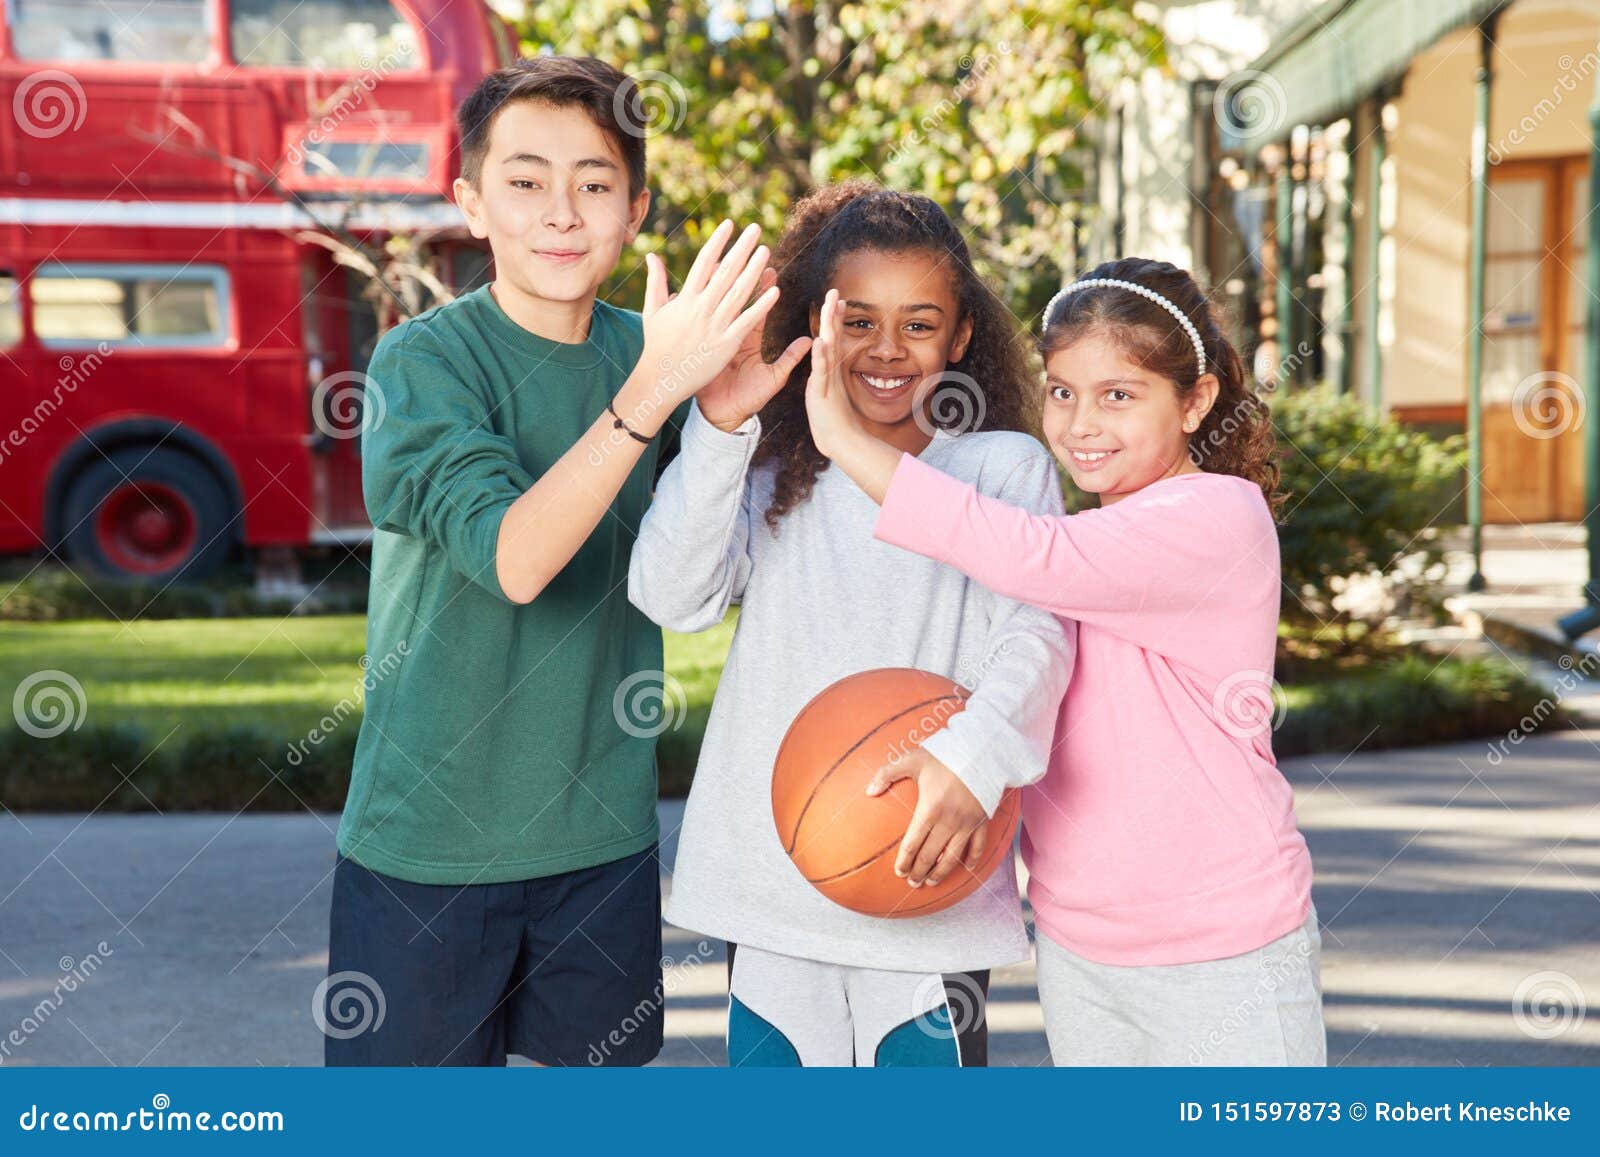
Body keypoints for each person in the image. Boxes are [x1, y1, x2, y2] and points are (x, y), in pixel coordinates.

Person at [327, 55, 780, 1066]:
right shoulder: (424, 362)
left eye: (595, 182)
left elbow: (727, 557)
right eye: (525, 181)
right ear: (471, 204)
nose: (560, 212)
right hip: (428, 847)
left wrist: (720, 421)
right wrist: (655, 393)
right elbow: (513, 557)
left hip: (601, 843)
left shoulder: (664, 354)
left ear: (636, 206)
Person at [807, 256, 1326, 1066]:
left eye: (1119, 395)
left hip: (1228, 948)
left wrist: (841, 437)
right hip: (1083, 946)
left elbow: (1028, 554)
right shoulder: (1090, 538)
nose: (1082, 423)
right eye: (1062, 391)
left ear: (1196, 402)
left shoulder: (1218, 516)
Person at [629, 182, 1074, 1067]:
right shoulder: (769, 464)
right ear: (816, 324)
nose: (888, 349)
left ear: (961, 336)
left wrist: (971, 755)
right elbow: (670, 597)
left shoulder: (1000, 467)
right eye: (859, 319)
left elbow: (1039, 636)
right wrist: (718, 425)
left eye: (919, 323)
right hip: (776, 881)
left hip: (926, 870)